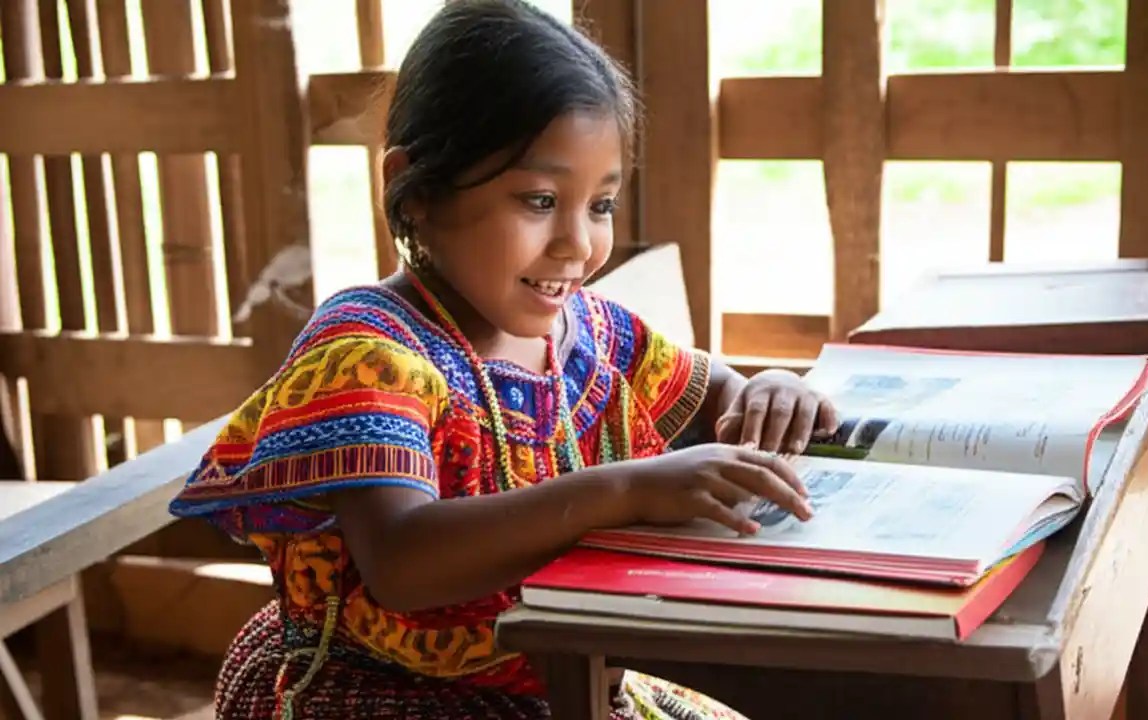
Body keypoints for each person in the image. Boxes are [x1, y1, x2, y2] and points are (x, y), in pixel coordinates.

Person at [169, 1, 838, 717]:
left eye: (601, 205)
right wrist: (627, 491)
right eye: (541, 199)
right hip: (383, 692)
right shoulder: (369, 356)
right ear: (418, 190)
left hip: (559, 675)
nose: (578, 244)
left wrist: (767, 391)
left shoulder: (588, 333)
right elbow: (402, 560)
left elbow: (717, 396)